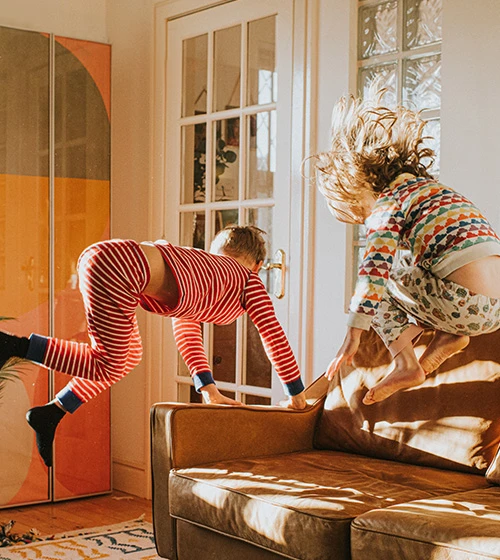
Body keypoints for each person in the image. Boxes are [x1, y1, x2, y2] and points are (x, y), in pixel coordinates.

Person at [0, 226, 306, 467]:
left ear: (217, 251)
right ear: (258, 265)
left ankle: (52, 412)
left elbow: (186, 331)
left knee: (129, 355)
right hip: (119, 268)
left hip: (106, 260)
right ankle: (12, 345)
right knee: (109, 362)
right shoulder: (247, 280)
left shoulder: (203, 273)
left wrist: (208, 389)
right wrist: (296, 395)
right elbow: (273, 336)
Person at [313, 90, 500, 405]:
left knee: (382, 286)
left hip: (460, 301)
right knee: (419, 270)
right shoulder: (434, 191)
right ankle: (449, 336)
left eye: (361, 214)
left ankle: (405, 363)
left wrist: (354, 331)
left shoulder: (389, 202)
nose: (367, 223)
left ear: (357, 183)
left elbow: (374, 270)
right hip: (494, 310)